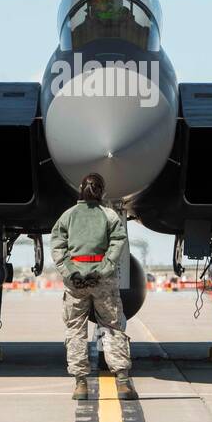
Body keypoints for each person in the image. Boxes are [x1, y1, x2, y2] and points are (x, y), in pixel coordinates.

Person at [50, 172, 136, 401]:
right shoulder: (109, 216)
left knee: (75, 329)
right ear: (102, 191)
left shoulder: (67, 216)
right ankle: (123, 382)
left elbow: (58, 246)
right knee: (112, 326)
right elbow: (118, 241)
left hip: (76, 280)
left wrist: (71, 272)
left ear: (80, 188)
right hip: (102, 280)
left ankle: (80, 385)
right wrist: (103, 269)